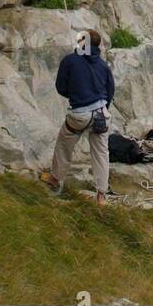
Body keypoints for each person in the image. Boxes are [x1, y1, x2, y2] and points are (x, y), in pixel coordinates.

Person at [41, 29, 115, 203]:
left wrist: (75, 94)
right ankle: (101, 195)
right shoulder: (103, 65)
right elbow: (110, 90)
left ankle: (56, 180)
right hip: (102, 114)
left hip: (79, 114)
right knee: (101, 153)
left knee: (64, 145)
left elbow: (61, 87)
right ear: (97, 46)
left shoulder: (70, 61)